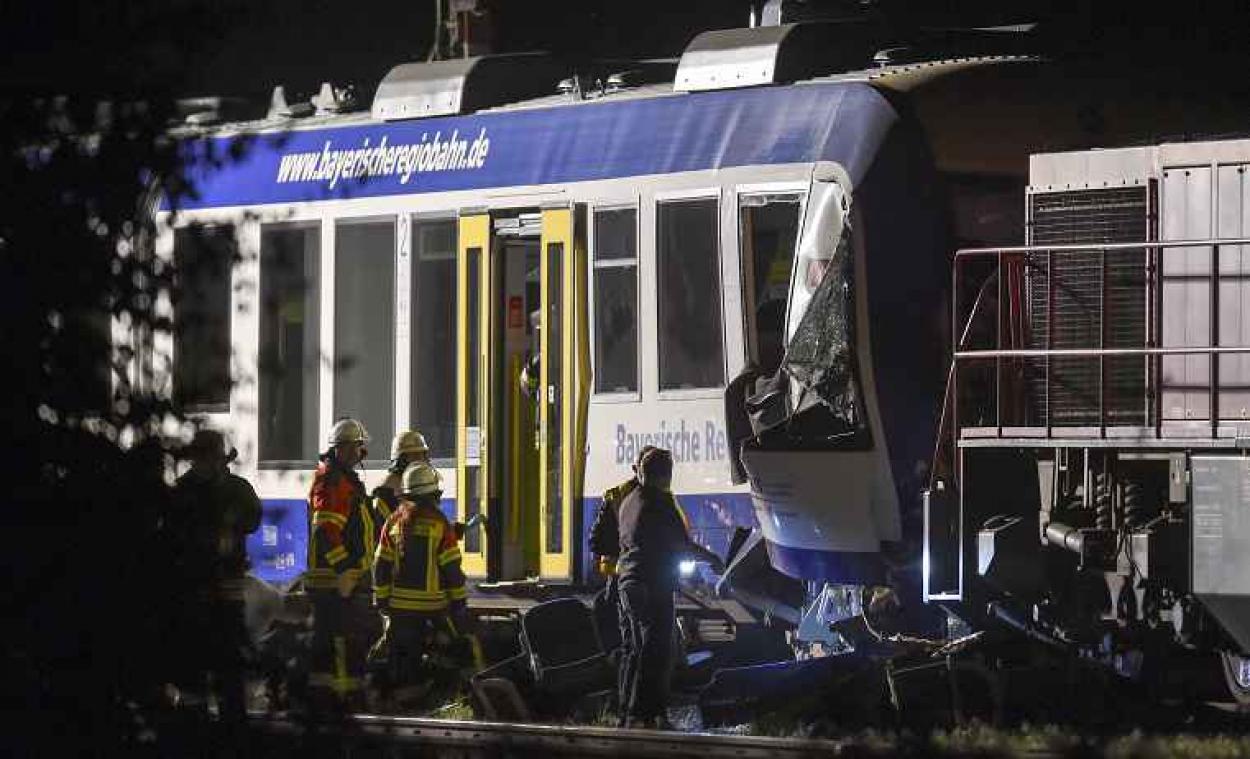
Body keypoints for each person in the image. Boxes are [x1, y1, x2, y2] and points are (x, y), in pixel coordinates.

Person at [616, 448, 723, 729]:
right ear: (667, 475)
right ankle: (646, 715)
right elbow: (681, 545)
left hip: (628, 583)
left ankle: (628, 713)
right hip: (652, 585)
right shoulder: (660, 502)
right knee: (658, 654)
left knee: (638, 650)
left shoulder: (628, 501)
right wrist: (712, 559)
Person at [169, 429, 262, 724]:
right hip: (194, 589)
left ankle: (229, 720)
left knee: (227, 659)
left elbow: (252, 520)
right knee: (195, 659)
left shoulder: (233, 489)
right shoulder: (185, 491)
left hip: (223, 588)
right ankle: (193, 720)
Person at [371, 462, 477, 709]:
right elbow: (451, 568)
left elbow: (380, 565)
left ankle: (406, 712)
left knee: (405, 664)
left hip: (400, 610)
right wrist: (459, 602)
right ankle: (451, 699)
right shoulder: (439, 523)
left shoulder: (393, 522)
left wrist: (383, 601)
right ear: (434, 494)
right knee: (458, 648)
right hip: (434, 608)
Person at [305, 417, 374, 710]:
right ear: (345, 449)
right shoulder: (334, 482)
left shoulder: (342, 480)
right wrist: (344, 569)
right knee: (343, 644)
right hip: (334, 582)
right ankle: (342, 705)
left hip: (340, 580)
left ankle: (335, 702)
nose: (361, 454)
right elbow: (326, 530)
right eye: (359, 448)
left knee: (342, 644)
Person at [587, 445, 657, 700]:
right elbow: (596, 541)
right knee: (634, 644)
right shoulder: (618, 497)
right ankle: (629, 705)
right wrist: (626, 553)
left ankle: (633, 705)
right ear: (636, 470)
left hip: (634, 578)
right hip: (622, 578)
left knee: (638, 644)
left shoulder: (657, 496)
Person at [371, 430, 432, 524]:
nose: (424, 460)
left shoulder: (413, 484)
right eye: (417, 455)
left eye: (424, 454)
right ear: (402, 458)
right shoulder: (386, 491)